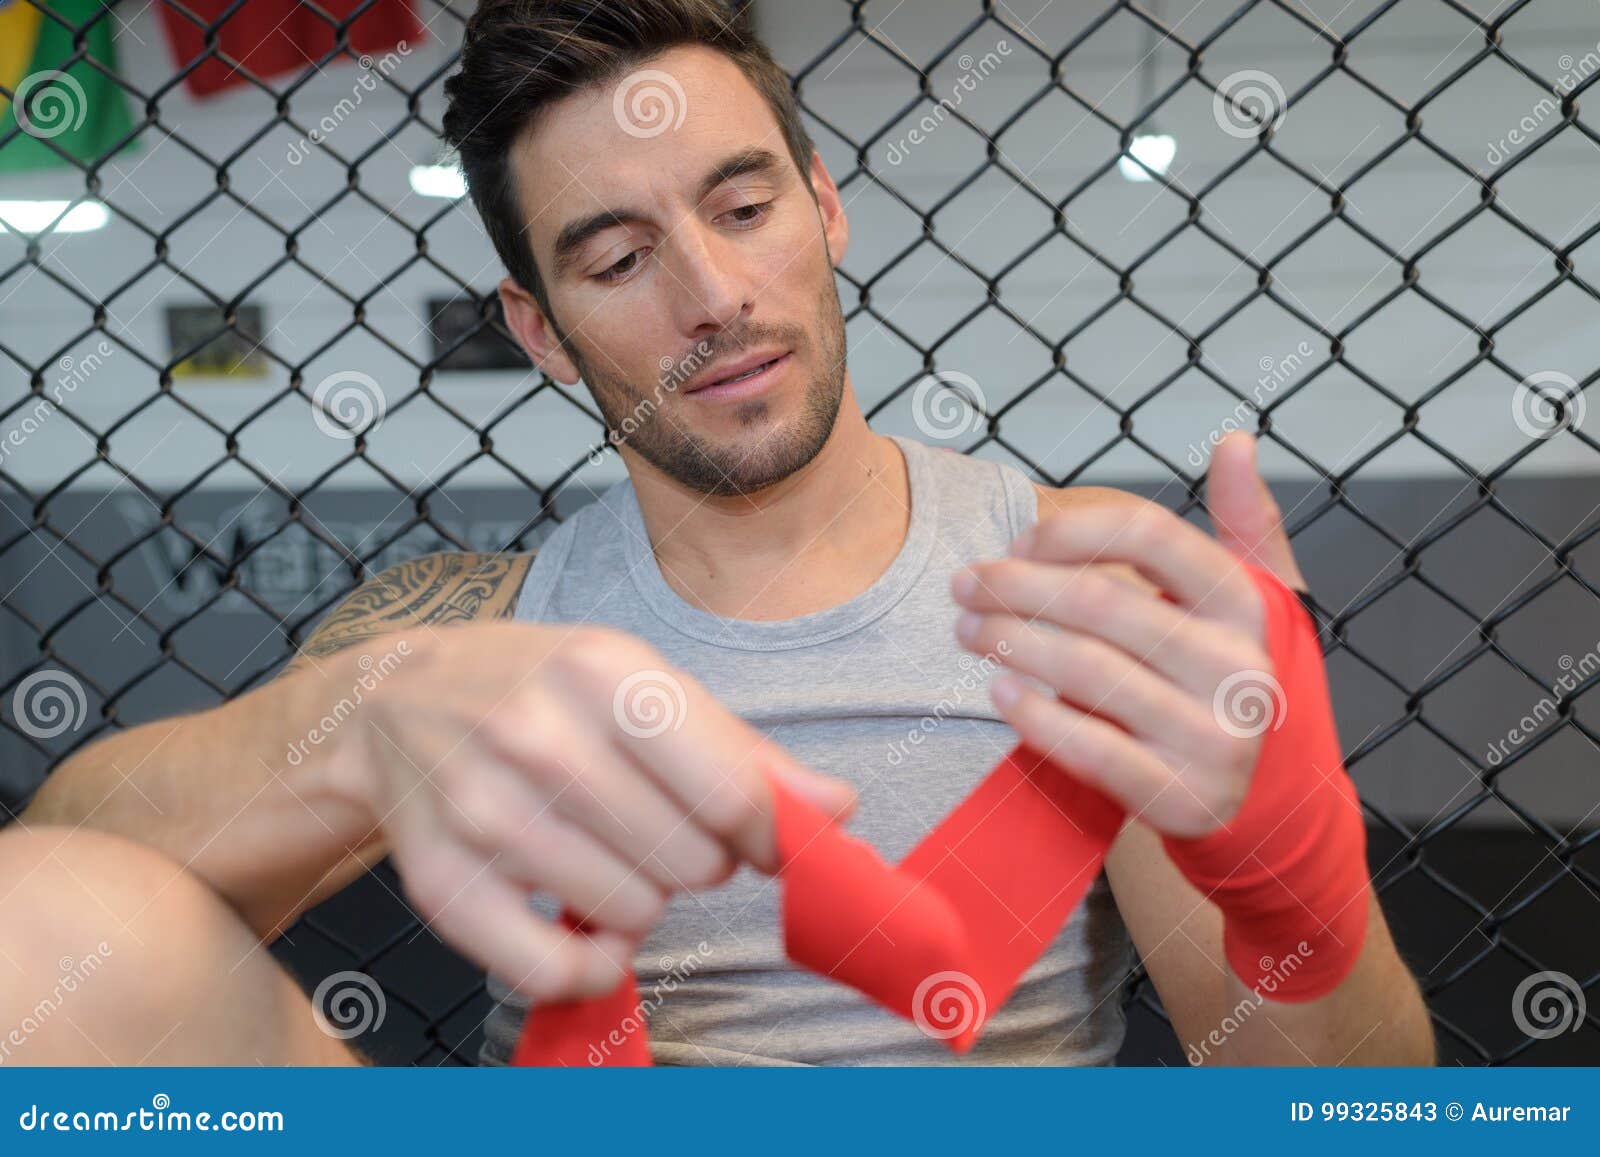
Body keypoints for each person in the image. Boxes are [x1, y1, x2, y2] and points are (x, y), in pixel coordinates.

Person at [4, 0, 1434, 1067]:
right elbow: (64, 901)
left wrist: (1291, 883)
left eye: (744, 208)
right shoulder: (477, 629)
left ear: (825, 209)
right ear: (541, 333)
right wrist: (366, 715)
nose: (710, 295)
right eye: (617, 258)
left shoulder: (1082, 585)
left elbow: (1350, 1116)